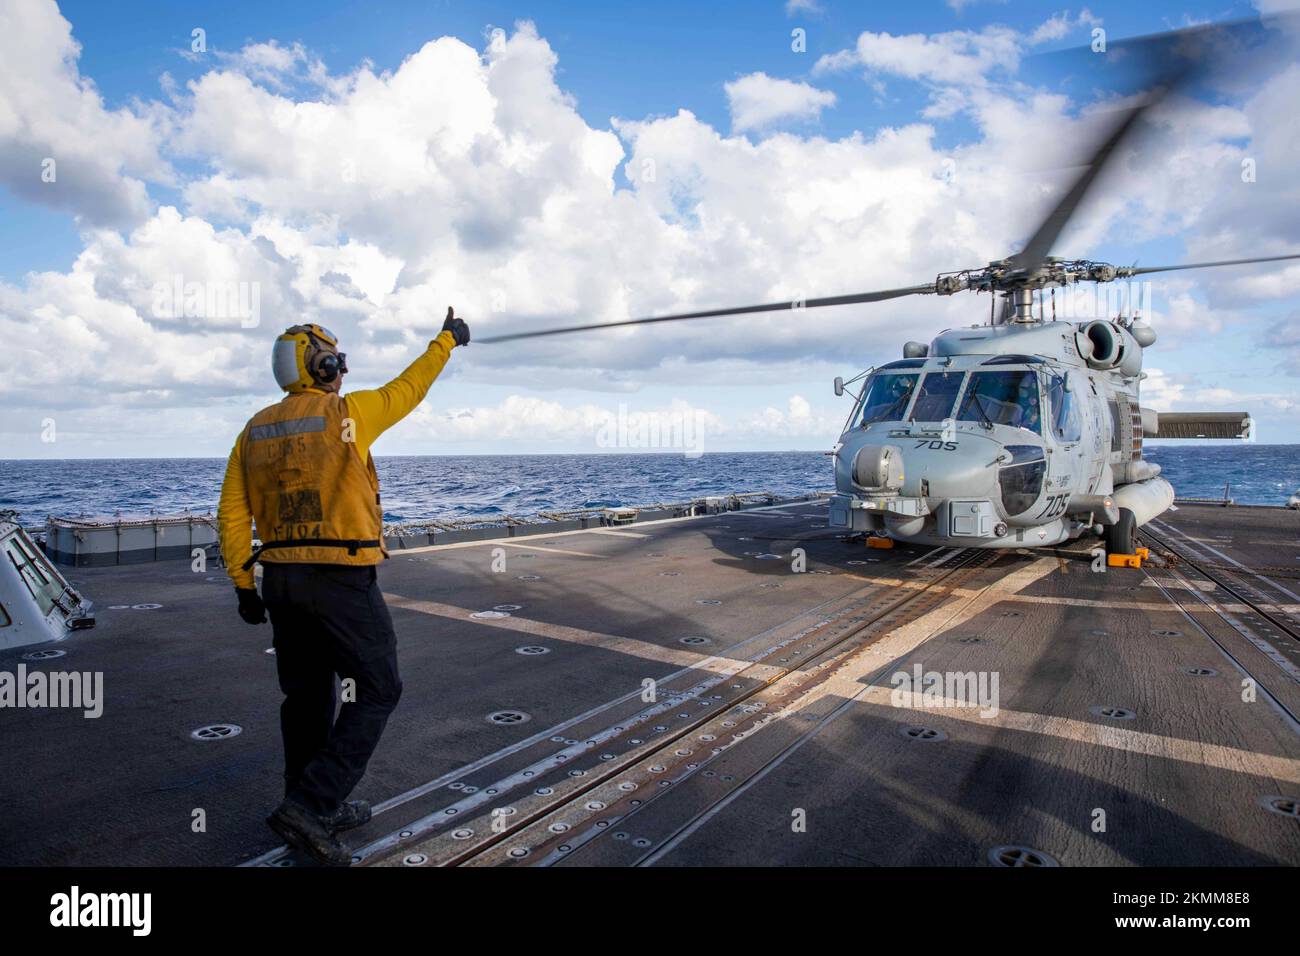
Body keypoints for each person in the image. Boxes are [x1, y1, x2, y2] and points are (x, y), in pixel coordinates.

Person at [217, 307, 470, 865]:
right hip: (340, 581)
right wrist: (446, 341)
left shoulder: (253, 431)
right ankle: (313, 804)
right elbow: (412, 385)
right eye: (339, 361)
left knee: (306, 697)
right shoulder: (349, 415)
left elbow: (232, 515)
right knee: (379, 688)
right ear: (325, 364)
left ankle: (305, 804)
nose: (344, 371)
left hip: (280, 581)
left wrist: (242, 583)